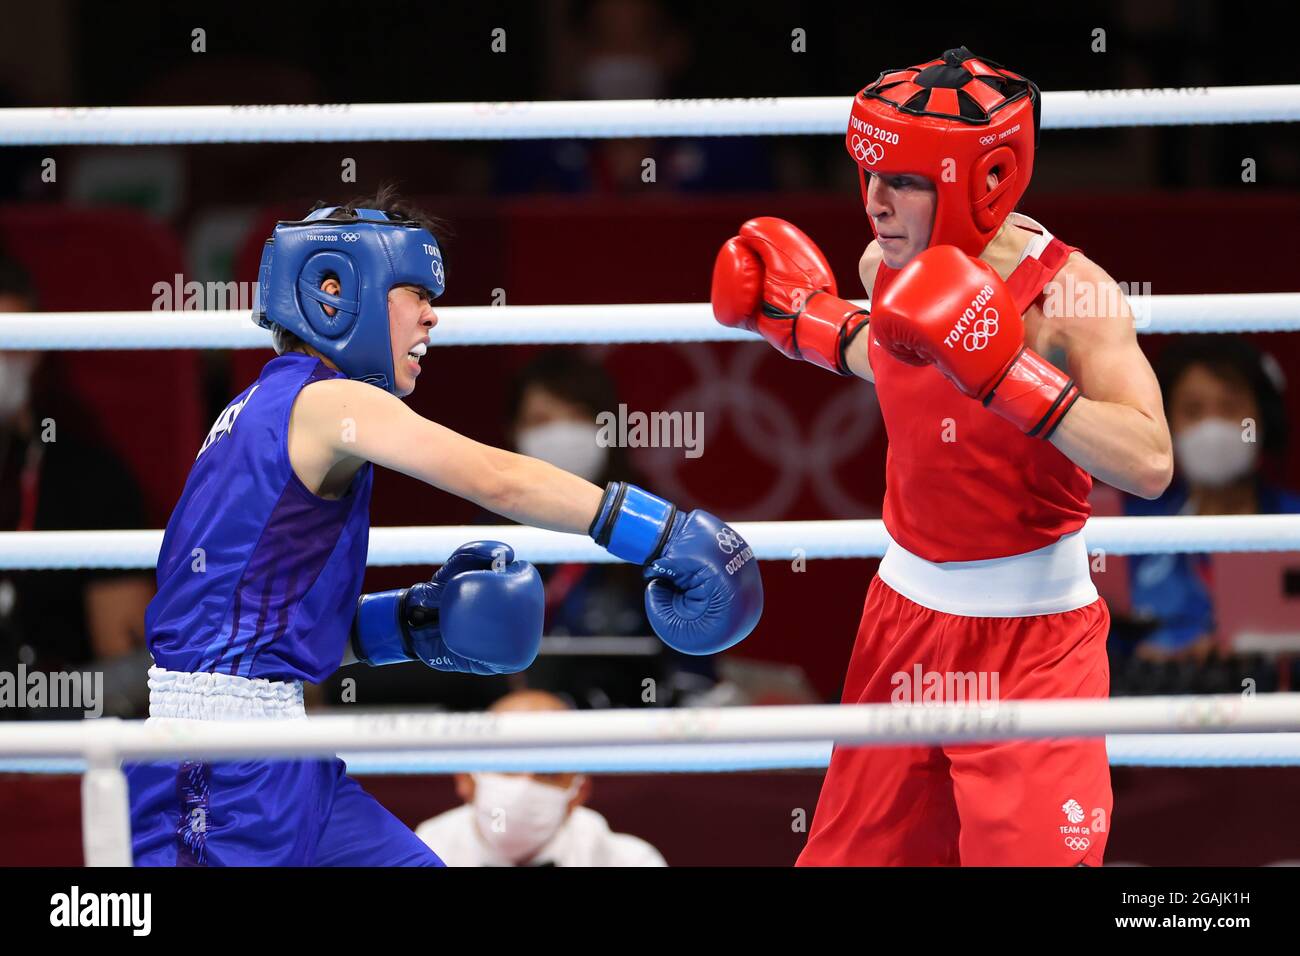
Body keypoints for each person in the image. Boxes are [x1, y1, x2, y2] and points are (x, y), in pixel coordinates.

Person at [125, 187, 762, 866]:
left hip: (283, 751)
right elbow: (497, 479)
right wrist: (658, 534)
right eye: (413, 292)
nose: (433, 317)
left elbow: (262, 635)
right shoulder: (326, 401)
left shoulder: (265, 409)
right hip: (217, 765)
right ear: (335, 291)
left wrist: (410, 625)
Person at [711, 48, 1173, 866]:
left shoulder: (1073, 297)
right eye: (869, 176)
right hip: (902, 624)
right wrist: (801, 325)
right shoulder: (881, 264)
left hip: (1035, 642)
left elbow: (1148, 461)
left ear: (981, 181)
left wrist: (1010, 375)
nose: (877, 205)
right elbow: (897, 355)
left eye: (905, 182)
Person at [505, 349, 719, 707]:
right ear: (513, 431)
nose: (559, 436)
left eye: (575, 417)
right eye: (541, 420)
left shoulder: (653, 524)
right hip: (508, 727)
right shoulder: (488, 534)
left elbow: (693, 671)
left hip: (626, 731)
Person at [0, 250, 154, 718]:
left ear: (38, 348)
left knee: (138, 676)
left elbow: (126, 659)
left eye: (11, 340)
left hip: (50, 710)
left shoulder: (90, 477)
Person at [1121, 335, 1299, 661]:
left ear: (1265, 421)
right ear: (1166, 427)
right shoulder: (1127, 535)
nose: (1212, 426)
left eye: (1230, 408)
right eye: (1192, 411)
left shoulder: (1294, 523)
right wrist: (1151, 661)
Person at [415, 690, 667, 866]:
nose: (525, 784)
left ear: (579, 791)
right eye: (507, 765)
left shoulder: (629, 861)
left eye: (547, 772)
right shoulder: (421, 853)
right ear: (465, 779)